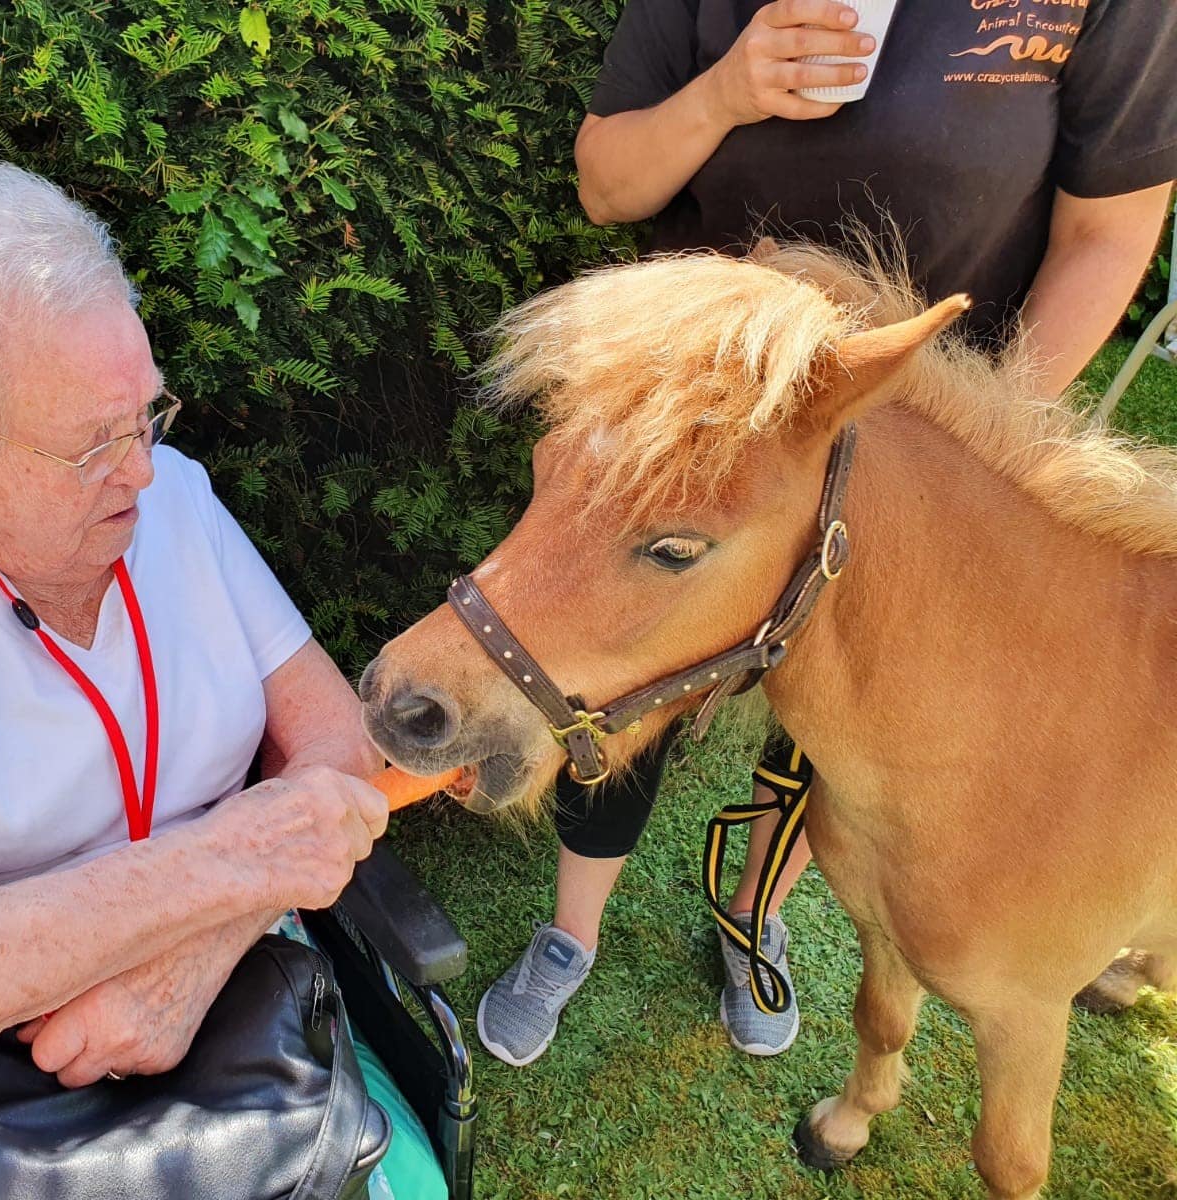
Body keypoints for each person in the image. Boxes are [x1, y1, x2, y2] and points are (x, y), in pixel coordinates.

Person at [0, 161, 446, 1200]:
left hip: (213, 972)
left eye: (145, 415)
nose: (141, 468)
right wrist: (230, 859)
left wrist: (191, 958)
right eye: (89, 445)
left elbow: (336, 748)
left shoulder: (174, 499)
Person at [475, 0, 1177, 1065]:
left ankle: (751, 914)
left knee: (837, 714)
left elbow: (1108, 233)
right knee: (605, 666)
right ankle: (572, 932)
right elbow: (606, 187)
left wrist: (977, 452)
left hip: (912, 447)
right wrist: (727, 91)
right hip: (687, 429)